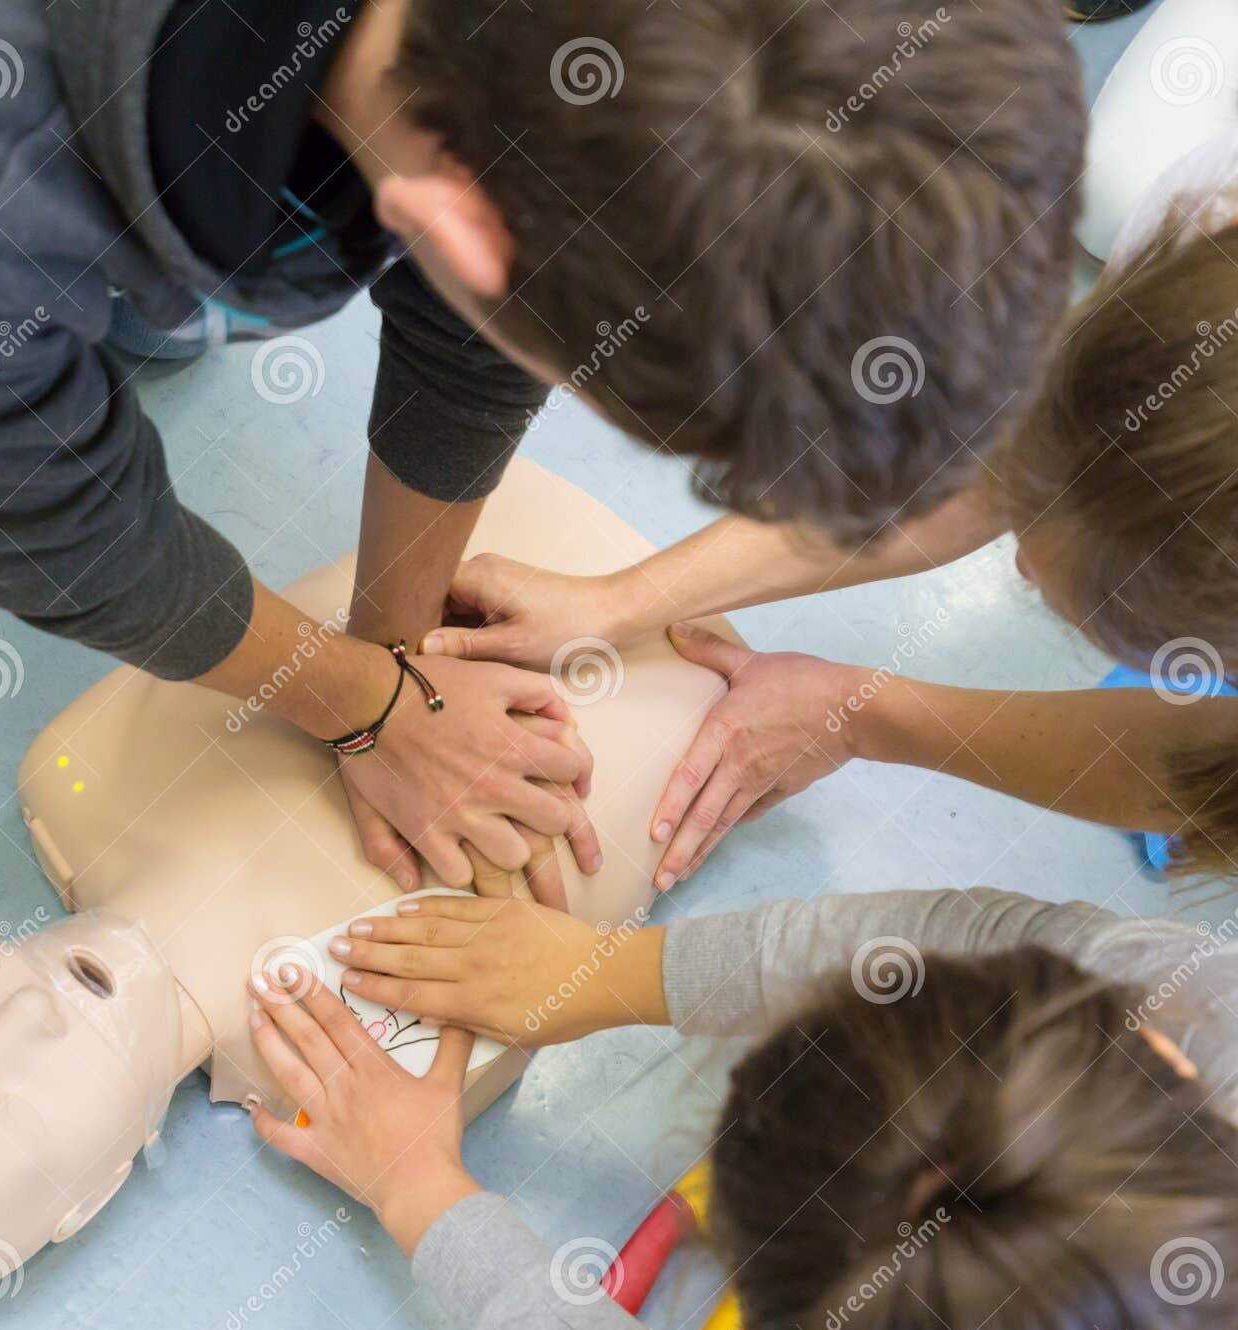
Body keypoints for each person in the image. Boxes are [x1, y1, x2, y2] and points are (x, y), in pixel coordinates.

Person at [0, 0, 1083, 895]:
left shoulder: (533, 93)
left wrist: (397, 639)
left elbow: (506, 262)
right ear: (453, 226)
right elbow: (42, 520)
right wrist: (359, 707)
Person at [420, 8, 1238, 886]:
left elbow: (1206, 773)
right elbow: (1014, 455)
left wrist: (864, 716)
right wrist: (620, 601)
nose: (1022, 573)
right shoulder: (1199, 232)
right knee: (1115, 179)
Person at [242, 887, 1238, 1330]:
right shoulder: (1205, 1008)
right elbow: (989, 937)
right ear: (1154, 1044)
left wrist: (418, 1186)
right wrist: (608, 968)